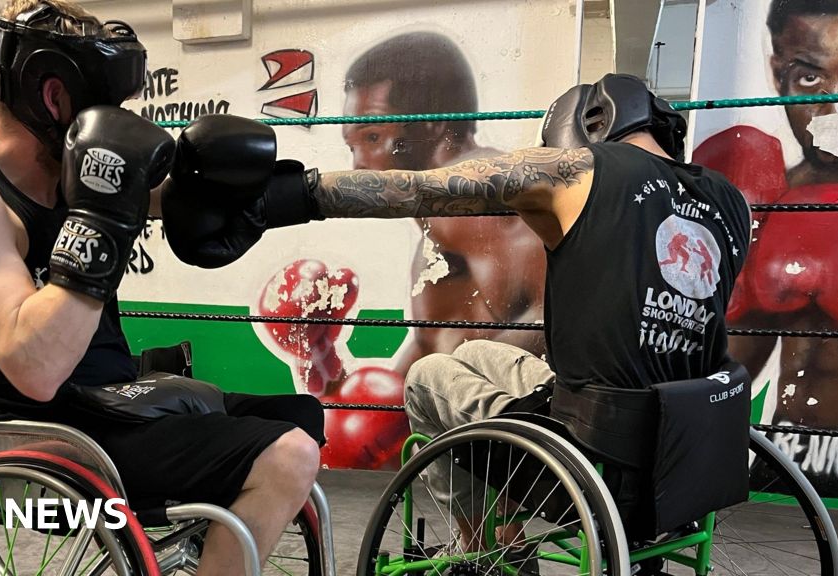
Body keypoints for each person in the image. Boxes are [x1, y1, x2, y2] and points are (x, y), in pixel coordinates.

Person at [163, 73, 751, 570]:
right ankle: (501, 530)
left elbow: (414, 191)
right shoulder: (731, 201)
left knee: (426, 378)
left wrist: (281, 200)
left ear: (592, 126)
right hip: (688, 452)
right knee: (470, 356)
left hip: (596, 458)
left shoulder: (578, 170)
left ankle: (486, 550)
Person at [0, 2, 322, 574]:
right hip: (51, 435)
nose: (121, 120)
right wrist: (103, 220)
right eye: (110, 107)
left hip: (112, 402)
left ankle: (213, 556)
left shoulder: (73, 178)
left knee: (301, 415)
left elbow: (186, 196)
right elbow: (33, 368)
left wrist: (275, 196)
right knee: (287, 457)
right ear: (55, 97)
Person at [342, 32, 547, 373]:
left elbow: (554, 315)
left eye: (373, 136)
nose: (357, 165)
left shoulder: (469, 195)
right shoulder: (438, 224)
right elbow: (431, 346)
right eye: (353, 146)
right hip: (467, 419)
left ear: (433, 123)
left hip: (498, 418)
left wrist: (470, 394)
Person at [694, 0, 838, 429]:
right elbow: (725, 370)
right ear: (776, 74)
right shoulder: (769, 200)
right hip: (781, 454)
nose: (835, 107)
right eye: (809, 77)